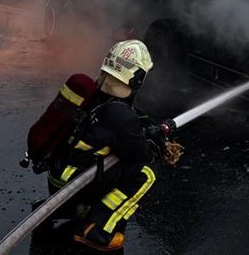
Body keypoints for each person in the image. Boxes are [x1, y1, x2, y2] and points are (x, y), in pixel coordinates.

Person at [46, 39, 169, 250]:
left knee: (110, 160)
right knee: (144, 174)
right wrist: (156, 142)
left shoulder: (95, 91)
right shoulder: (120, 114)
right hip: (73, 184)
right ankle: (97, 230)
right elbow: (141, 153)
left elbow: (128, 122)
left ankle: (79, 209)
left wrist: (148, 127)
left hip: (57, 174)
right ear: (136, 79)